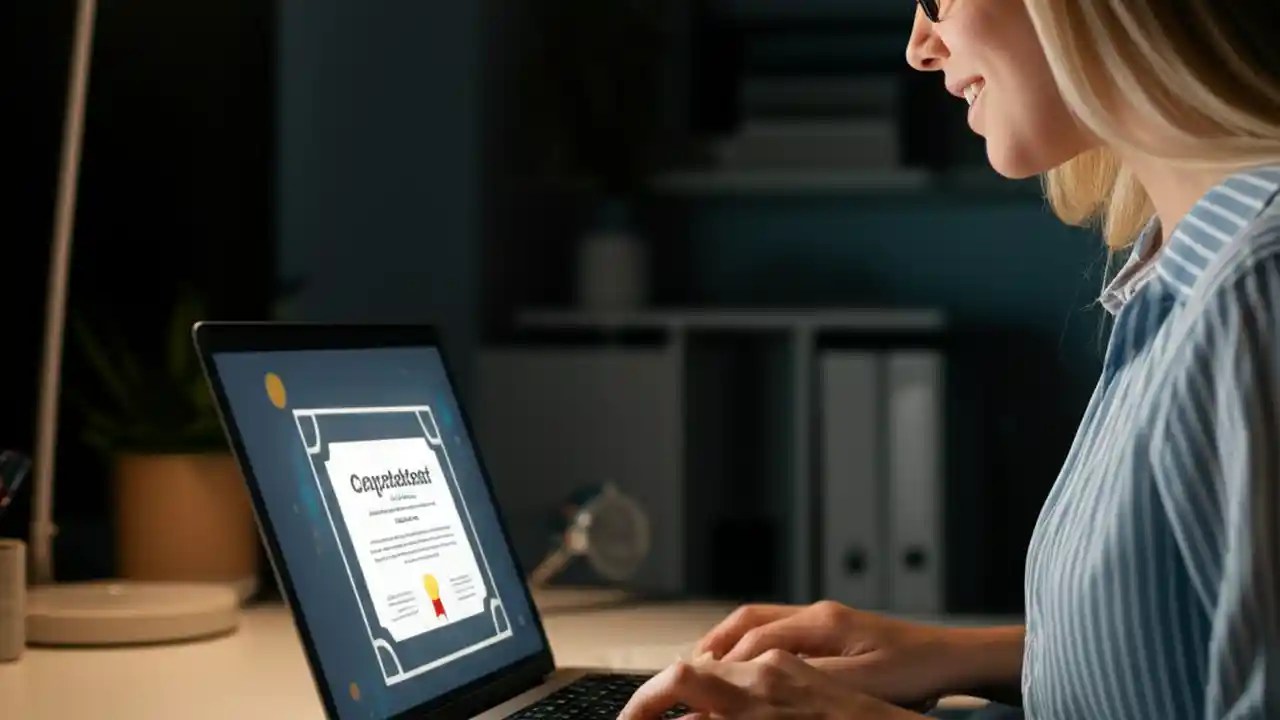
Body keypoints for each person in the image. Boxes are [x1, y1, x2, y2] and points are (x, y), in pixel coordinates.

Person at [620, 0, 1280, 718]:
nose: (919, 46)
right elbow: (1183, 651)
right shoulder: (1185, 274)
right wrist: (958, 656)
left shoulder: (1258, 288)